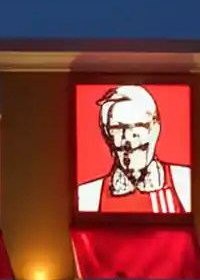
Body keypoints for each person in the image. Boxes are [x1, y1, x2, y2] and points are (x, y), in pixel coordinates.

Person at [77, 85, 190, 214]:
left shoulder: (185, 181)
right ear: (107, 135)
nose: (129, 139)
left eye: (138, 126)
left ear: (155, 129)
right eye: (118, 129)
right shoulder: (87, 197)